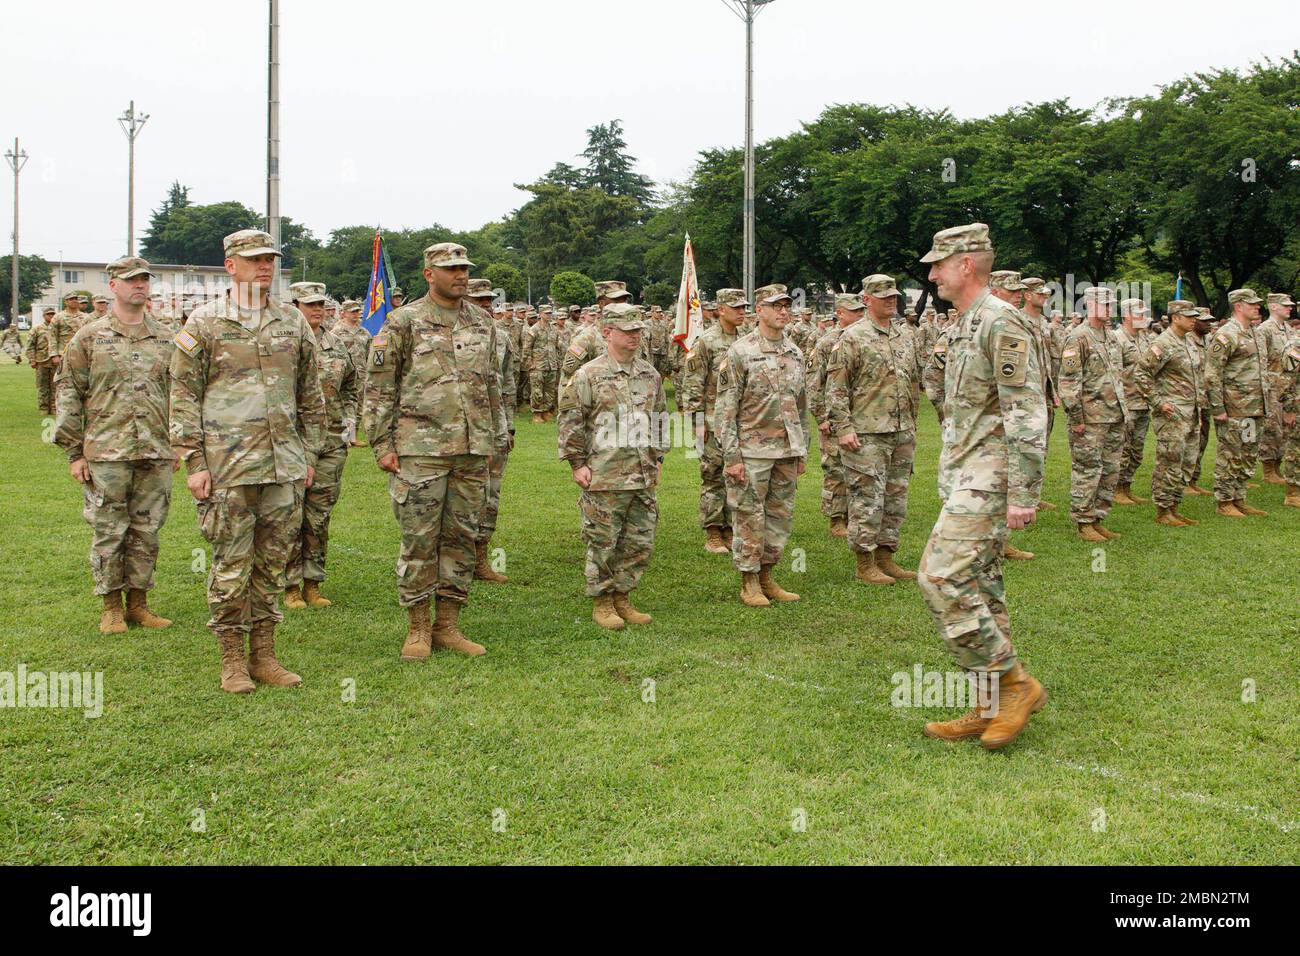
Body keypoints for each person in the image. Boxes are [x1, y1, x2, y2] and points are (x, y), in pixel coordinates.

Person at [170, 229, 326, 694]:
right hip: (227, 466)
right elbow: (182, 396)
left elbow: (311, 395)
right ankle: (232, 660)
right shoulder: (204, 323)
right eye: (254, 259)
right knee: (232, 564)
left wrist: (308, 453)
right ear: (230, 265)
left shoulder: (292, 322)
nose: (265, 266)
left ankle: (265, 655)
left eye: (270, 259)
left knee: (272, 563)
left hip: (283, 466)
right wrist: (195, 462)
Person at [915, 223, 1048, 750]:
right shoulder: (965, 323)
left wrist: (1023, 492)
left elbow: (1026, 412)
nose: (932, 274)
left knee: (939, 576)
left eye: (939, 264)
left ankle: (1014, 683)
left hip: (992, 474)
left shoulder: (1001, 321)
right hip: (966, 472)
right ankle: (989, 703)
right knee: (982, 586)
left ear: (966, 264)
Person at [363, 242, 509, 660]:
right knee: (420, 540)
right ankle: (418, 628)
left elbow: (492, 386)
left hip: (472, 449)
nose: (460, 276)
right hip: (420, 450)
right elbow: (379, 389)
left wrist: (496, 438)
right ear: (429, 274)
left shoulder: (483, 323)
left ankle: (448, 624)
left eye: (464, 268)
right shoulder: (403, 322)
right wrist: (382, 444)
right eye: (450, 269)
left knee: (461, 538)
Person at [55, 256, 177, 634]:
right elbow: (69, 391)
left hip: (155, 450)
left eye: (144, 280)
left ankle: (138, 603)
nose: (139, 286)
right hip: (106, 451)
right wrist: (74, 451)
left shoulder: (167, 337)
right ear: (113, 287)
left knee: (146, 529)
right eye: (130, 280)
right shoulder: (90, 337)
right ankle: (110, 607)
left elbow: (180, 393)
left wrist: (178, 443)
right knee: (109, 529)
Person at [558, 302, 668, 629]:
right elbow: (571, 422)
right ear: (608, 332)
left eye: (638, 331)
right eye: (627, 331)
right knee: (603, 540)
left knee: (638, 542)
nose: (635, 336)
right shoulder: (588, 374)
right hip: (604, 473)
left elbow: (660, 418)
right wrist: (577, 463)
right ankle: (603, 601)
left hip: (642, 472)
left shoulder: (650, 374)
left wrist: (659, 458)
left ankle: (624, 596)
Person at [715, 284, 807, 607]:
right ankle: (749, 582)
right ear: (759, 310)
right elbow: (725, 410)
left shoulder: (795, 353)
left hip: (785, 450)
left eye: (786, 305)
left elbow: (801, 406)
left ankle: (768, 575)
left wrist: (801, 448)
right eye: (776, 306)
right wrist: (732, 457)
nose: (784, 311)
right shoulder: (740, 352)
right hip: (751, 452)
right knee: (749, 517)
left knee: (779, 517)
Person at [826, 274, 922, 585]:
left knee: (896, 499)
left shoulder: (904, 335)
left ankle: (885, 556)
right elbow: (836, 389)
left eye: (894, 296)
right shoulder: (851, 337)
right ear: (867, 300)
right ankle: (864, 562)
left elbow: (913, 381)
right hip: (866, 432)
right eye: (884, 297)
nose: (891, 300)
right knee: (867, 498)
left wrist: (912, 423)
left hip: (901, 430)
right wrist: (843, 428)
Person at [283, 282, 359, 610]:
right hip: (291, 444)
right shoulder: (281, 343)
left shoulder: (336, 344)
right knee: (288, 515)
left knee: (318, 516)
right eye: (309, 304)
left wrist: (349, 422)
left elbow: (353, 386)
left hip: (329, 444)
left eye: (321, 304)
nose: (317, 310)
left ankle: (313, 582)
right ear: (294, 305)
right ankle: (288, 585)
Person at [680, 287, 746, 554]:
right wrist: (696, 422)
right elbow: (692, 384)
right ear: (721, 310)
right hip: (712, 421)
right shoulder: (705, 342)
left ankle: (730, 528)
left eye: (744, 307)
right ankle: (713, 532)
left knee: (738, 476)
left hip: (741, 421)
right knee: (713, 476)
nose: (742, 312)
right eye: (736, 307)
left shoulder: (748, 340)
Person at [1059, 286, 1127, 542]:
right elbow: (1068, 382)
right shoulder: (1078, 337)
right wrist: (1076, 418)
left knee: (1110, 470)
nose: (1110, 309)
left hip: (1113, 415)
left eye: (1112, 304)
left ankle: (1098, 517)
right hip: (1090, 418)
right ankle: (1083, 521)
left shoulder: (1110, 337)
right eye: (1105, 304)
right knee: (1088, 469)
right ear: (1090, 304)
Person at [1134, 300, 1204, 527]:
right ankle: (1163, 510)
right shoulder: (1163, 343)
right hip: (1172, 413)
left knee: (1186, 462)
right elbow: (1142, 373)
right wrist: (1158, 402)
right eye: (1189, 316)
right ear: (1176, 317)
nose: (1194, 320)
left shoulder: (1189, 341)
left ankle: (1175, 507)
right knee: (1169, 461)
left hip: (1191, 412)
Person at [1205, 288, 1272, 518]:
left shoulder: (1256, 333)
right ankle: (1224, 501)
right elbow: (1212, 374)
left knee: (1247, 454)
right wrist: (1218, 408)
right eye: (1252, 304)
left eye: (1257, 304)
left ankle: (1239, 497)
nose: (1257, 307)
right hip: (1234, 408)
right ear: (1238, 306)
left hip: (1254, 407)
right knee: (1230, 454)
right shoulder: (1226, 335)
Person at [806, 293, 865, 540]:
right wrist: (821, 417)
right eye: (856, 311)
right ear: (840, 313)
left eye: (863, 310)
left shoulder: (865, 339)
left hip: (861, 417)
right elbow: (813, 383)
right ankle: (836, 518)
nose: (861, 314)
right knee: (836, 469)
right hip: (833, 418)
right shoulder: (827, 343)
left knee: (860, 469)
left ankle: (856, 515)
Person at [468, 278, 515, 583]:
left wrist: (509, 426)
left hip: (495, 429)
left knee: (490, 494)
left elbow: (507, 383)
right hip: (459, 431)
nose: (485, 305)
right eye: (478, 300)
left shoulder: (501, 337)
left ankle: (480, 558)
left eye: (488, 300)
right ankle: (448, 562)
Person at [1113, 298, 1156, 505]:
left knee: (1137, 451)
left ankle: (1127, 486)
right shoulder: (1117, 339)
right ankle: (1116, 489)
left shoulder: (1144, 338)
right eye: (1140, 314)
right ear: (1128, 316)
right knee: (1123, 449)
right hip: (1126, 403)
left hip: (1143, 402)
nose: (1145, 318)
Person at [1257, 292, 1294, 485]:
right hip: (1271, 386)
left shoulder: (1288, 329)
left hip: (1287, 386)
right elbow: (1261, 360)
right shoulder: (1265, 329)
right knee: (1272, 428)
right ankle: (1268, 469)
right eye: (1285, 305)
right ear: (1273, 307)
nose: (1290, 308)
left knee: (1286, 428)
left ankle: (1278, 466)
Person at [25, 307, 57, 413]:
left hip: (55, 361)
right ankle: (43, 408)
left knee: (55, 386)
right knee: (42, 386)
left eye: (53, 314)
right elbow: (30, 345)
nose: (51, 316)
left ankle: (53, 407)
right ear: (44, 316)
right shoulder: (37, 329)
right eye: (49, 314)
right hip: (41, 361)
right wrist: (32, 360)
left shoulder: (57, 328)